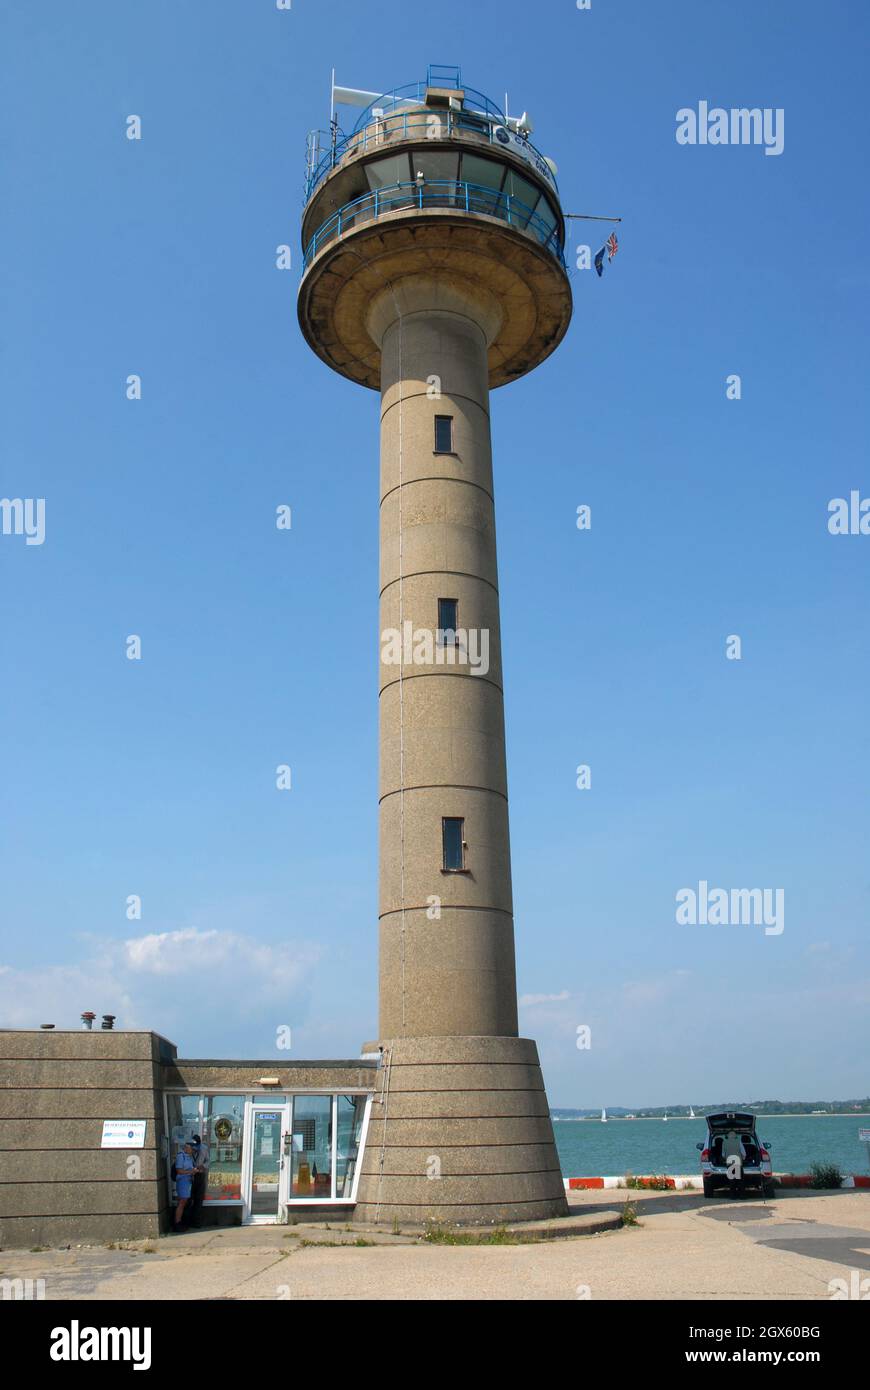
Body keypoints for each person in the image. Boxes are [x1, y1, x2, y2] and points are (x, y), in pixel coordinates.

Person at [188, 1133, 210, 1228]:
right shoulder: (188, 1149)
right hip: (189, 1175)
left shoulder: (204, 1148)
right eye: (194, 1146)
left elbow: (208, 1161)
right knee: (188, 1199)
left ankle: (196, 1222)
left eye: (197, 1146)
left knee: (199, 1199)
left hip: (200, 1175)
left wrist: (203, 1166)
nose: (195, 1148)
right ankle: (187, 1221)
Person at [173, 1142, 196, 1231]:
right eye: (191, 1149)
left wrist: (194, 1171)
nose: (192, 1151)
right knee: (182, 1202)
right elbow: (179, 1170)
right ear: (186, 1148)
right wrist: (190, 1172)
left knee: (184, 1201)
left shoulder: (190, 1157)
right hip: (182, 1181)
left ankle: (180, 1222)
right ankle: (177, 1223)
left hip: (188, 1182)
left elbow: (189, 1168)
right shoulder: (180, 1156)